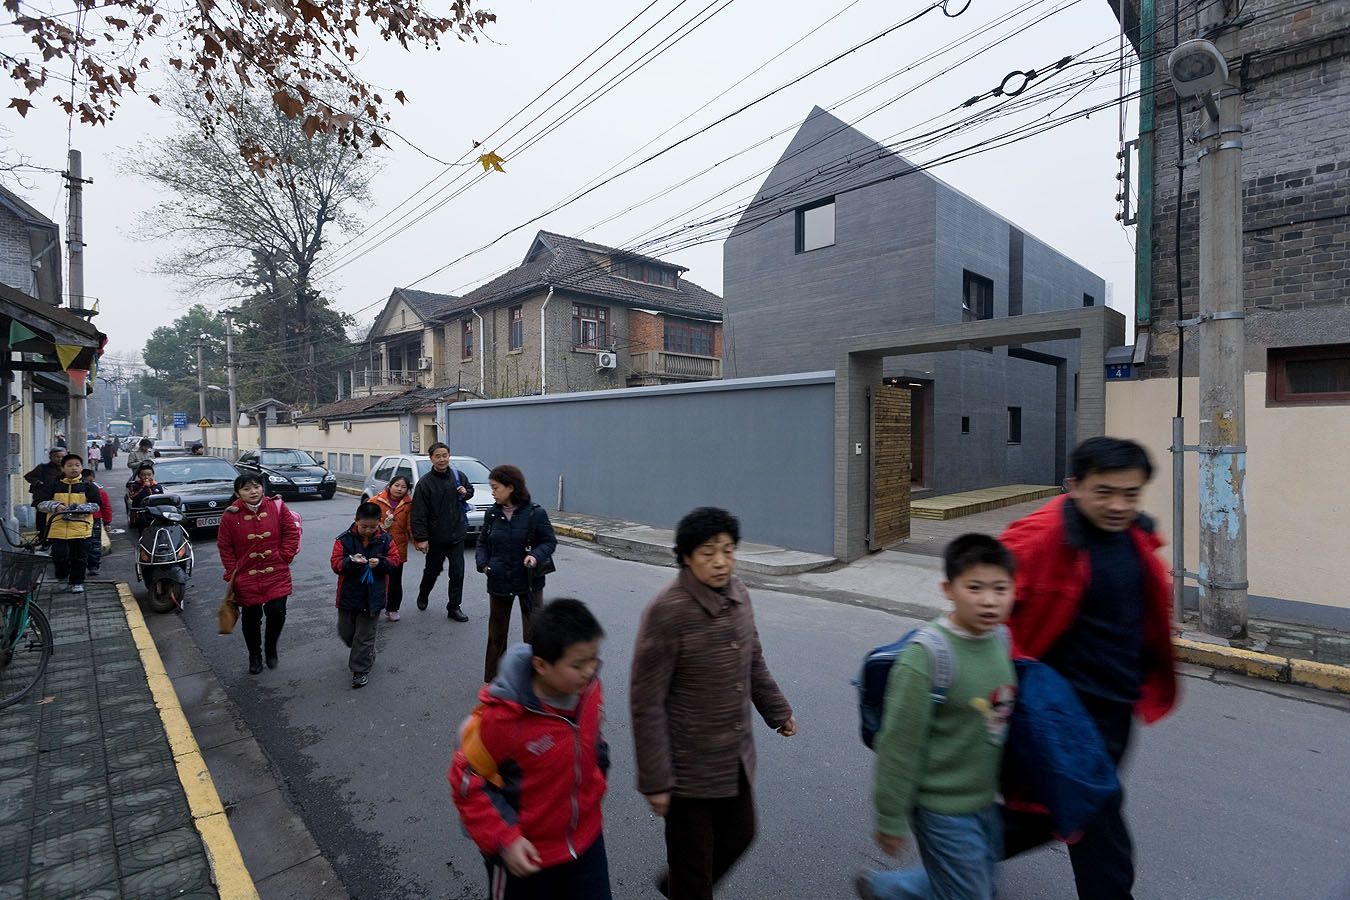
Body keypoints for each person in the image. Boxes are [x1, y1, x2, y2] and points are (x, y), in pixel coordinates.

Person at [996, 436, 1178, 900]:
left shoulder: (1134, 537)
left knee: (1051, 814)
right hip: (1061, 711)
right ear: (1074, 485)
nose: (1119, 505)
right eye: (1105, 492)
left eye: (1131, 494)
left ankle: (931, 871)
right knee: (1096, 813)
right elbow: (980, 595)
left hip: (1116, 707)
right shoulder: (1039, 537)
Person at [630, 507, 797, 900]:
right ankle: (685, 886)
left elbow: (753, 658)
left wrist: (778, 711)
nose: (721, 561)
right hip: (685, 769)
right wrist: (655, 781)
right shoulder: (668, 612)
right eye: (708, 552)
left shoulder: (739, 593)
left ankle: (678, 885)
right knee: (695, 867)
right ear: (687, 557)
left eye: (727, 550)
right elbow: (646, 701)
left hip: (732, 756)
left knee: (741, 834)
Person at [857, 534, 1018, 900]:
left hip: (984, 803)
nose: (990, 600)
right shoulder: (928, 657)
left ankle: (888, 889)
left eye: (1000, 588)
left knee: (977, 886)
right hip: (941, 809)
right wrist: (890, 819)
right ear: (948, 588)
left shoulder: (1000, 639)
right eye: (974, 587)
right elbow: (899, 745)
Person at [451, 598, 611, 899]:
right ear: (541, 665)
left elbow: (594, 743)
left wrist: (598, 778)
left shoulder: (589, 691)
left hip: (587, 842)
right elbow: (466, 782)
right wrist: (505, 839)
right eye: (578, 664)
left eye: (594, 659)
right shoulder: (504, 719)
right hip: (527, 859)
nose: (590, 671)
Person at [475, 465, 557, 683]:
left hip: (530, 581)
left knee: (533, 634)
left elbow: (549, 541)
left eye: (495, 487)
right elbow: (482, 543)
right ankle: (493, 681)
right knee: (496, 635)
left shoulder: (535, 513)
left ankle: (533, 681)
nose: (492, 491)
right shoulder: (492, 513)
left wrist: (536, 556)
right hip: (498, 578)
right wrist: (484, 565)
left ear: (510, 487)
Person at [218, 473, 301, 675]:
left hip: (276, 570)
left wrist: (285, 556)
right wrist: (232, 571)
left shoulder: (277, 506)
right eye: (246, 489)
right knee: (251, 618)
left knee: (277, 612)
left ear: (262, 488)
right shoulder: (230, 515)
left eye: (256, 487)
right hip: (246, 573)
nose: (253, 491)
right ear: (238, 492)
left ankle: (271, 646)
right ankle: (254, 655)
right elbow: (225, 546)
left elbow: (290, 531)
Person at [330, 502, 400, 688]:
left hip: (373, 597)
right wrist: (351, 561)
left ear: (380, 522)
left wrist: (382, 562)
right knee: (346, 633)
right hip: (348, 596)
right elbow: (336, 564)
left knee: (364, 636)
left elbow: (395, 561)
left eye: (372, 526)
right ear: (356, 521)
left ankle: (360, 670)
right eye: (364, 526)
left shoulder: (386, 540)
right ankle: (366, 652)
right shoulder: (344, 540)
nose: (368, 530)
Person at [410, 441, 475, 622]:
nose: (441, 459)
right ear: (431, 458)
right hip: (436, 537)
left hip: (457, 534)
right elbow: (418, 513)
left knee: (457, 572)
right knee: (432, 571)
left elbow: (469, 491)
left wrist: (466, 492)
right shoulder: (425, 484)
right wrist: (421, 538)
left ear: (449, 456)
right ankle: (424, 594)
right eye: (437, 456)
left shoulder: (458, 476)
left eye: (444, 455)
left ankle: (454, 607)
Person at [35, 454, 101, 594]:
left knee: (79, 557)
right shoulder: (53, 485)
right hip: (57, 528)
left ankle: (77, 582)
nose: (74, 468)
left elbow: (96, 506)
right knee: (60, 556)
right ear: (63, 468)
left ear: (82, 467)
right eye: (70, 465)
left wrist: (78, 509)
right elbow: (40, 504)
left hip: (81, 528)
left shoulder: (88, 486)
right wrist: (55, 506)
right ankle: (62, 577)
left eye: (77, 465)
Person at [370, 475, 413, 621]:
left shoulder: (409, 505)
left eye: (403, 487)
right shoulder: (376, 501)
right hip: (376, 547)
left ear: (407, 490)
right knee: (375, 579)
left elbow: (411, 526)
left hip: (397, 548)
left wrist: (420, 541)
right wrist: (381, 526)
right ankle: (373, 607)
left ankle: (393, 608)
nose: (399, 489)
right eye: (397, 485)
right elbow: (363, 521)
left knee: (395, 581)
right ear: (390, 485)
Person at [23, 448, 64, 540]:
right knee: (42, 521)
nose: (60, 459)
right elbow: (28, 476)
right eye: (57, 457)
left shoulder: (66, 468)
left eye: (62, 457)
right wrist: (38, 482)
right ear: (51, 457)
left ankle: (55, 540)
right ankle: (42, 540)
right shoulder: (43, 468)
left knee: (57, 520)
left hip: (59, 499)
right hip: (43, 498)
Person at [82, 469, 113, 578]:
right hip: (86, 520)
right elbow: (106, 507)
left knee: (93, 543)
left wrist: (107, 522)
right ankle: (92, 566)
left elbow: (105, 507)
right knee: (92, 543)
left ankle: (92, 566)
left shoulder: (98, 490)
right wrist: (107, 522)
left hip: (92, 520)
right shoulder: (97, 489)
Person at [127, 464, 163, 533]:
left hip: (155, 513)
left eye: (149, 475)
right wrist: (144, 487)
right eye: (143, 475)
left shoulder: (157, 486)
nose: (146, 477)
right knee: (143, 531)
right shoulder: (134, 486)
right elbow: (133, 497)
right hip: (141, 513)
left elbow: (161, 498)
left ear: (153, 475)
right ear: (139, 476)